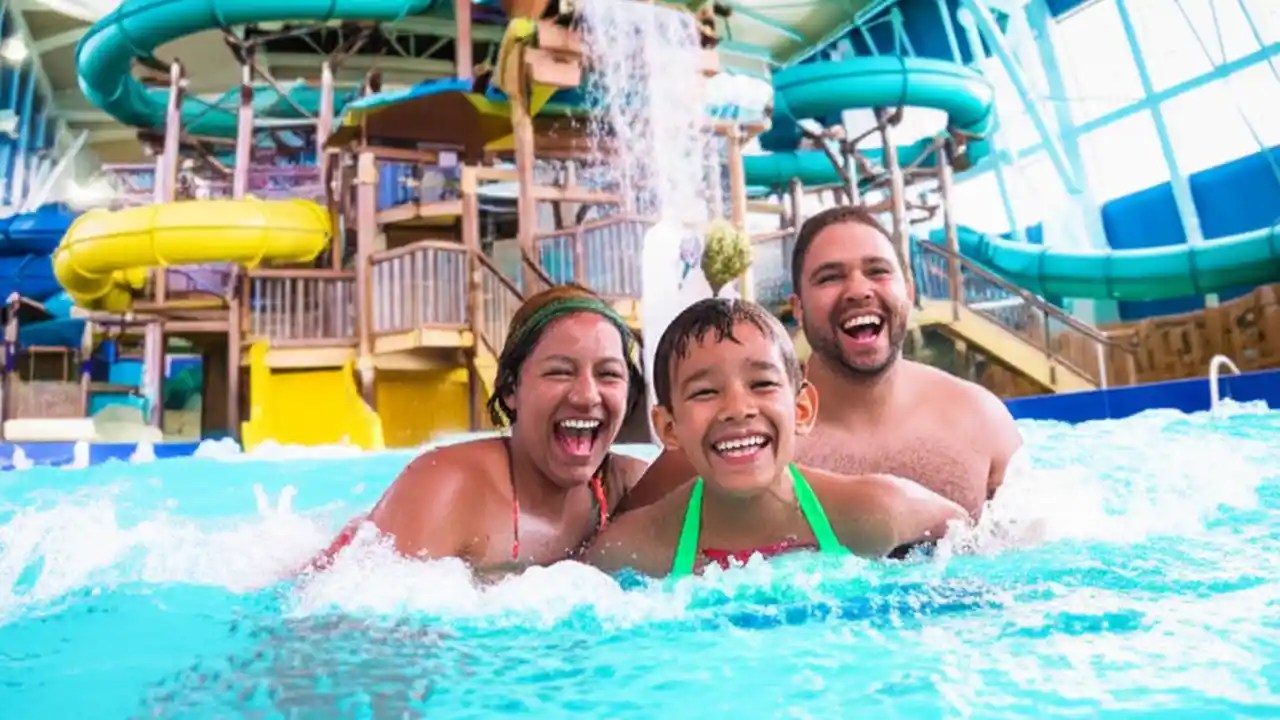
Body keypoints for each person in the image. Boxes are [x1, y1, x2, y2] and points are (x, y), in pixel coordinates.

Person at [617, 205, 1023, 519]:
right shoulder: (740, 431)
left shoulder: (981, 419)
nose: (858, 290)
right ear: (798, 308)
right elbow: (627, 543)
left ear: (909, 291)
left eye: (878, 271)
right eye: (830, 277)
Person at [585, 298, 967, 577]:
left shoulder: (872, 513)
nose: (737, 408)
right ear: (669, 428)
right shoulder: (635, 550)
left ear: (802, 410)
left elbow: (966, 535)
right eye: (705, 392)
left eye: (762, 383)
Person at [309, 285, 650, 572]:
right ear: (510, 391)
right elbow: (360, 628)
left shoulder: (629, 489)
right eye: (560, 372)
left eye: (608, 374)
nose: (587, 395)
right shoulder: (447, 487)